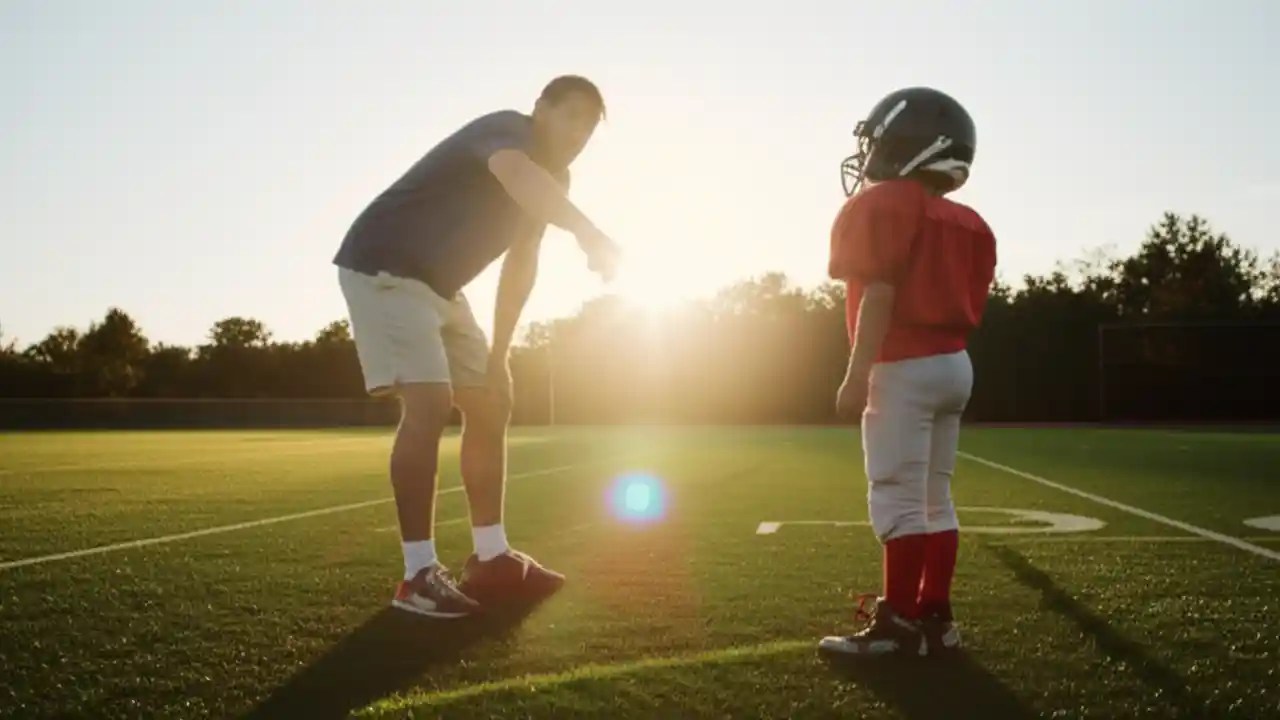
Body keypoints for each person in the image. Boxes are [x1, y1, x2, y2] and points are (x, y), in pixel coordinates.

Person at [332, 75, 619, 618]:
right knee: (431, 402)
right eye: (570, 114)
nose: (578, 131)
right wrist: (589, 232)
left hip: (441, 286)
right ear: (540, 108)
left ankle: (491, 559)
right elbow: (516, 177)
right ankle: (417, 574)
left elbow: (521, 263)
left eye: (589, 124)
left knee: (491, 400)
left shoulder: (557, 179)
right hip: (383, 266)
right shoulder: (507, 131)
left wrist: (500, 356)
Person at [818, 87, 997, 657]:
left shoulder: (885, 203)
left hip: (903, 365)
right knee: (935, 499)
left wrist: (855, 374)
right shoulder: (970, 220)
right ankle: (935, 619)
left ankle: (897, 625)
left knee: (895, 496)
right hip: (954, 365)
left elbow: (880, 294)